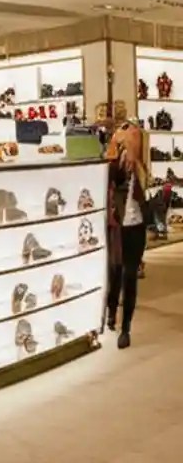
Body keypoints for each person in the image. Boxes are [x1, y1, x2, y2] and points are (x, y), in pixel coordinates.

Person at [106, 122, 149, 349]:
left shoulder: (140, 170)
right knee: (115, 272)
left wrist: (134, 158)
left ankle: (126, 328)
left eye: (134, 143)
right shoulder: (115, 168)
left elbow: (144, 182)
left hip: (136, 227)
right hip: (117, 226)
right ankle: (112, 311)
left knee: (129, 275)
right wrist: (116, 144)